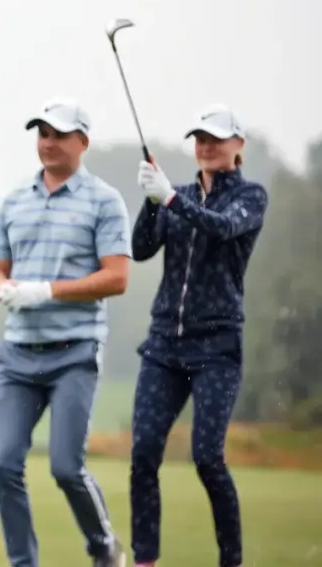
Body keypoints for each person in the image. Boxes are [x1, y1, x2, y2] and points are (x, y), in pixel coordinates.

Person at [0, 97, 130, 567]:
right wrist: (4, 289)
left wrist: (47, 290)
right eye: (42, 133)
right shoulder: (14, 201)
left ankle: (103, 547)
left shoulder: (104, 201)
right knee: (4, 463)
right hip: (18, 354)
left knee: (67, 467)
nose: (47, 143)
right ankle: (22, 563)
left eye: (58, 135)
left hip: (74, 352)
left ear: (82, 142)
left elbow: (116, 277)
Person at [128, 103, 267, 567]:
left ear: (237, 146)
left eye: (216, 138)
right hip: (164, 343)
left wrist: (169, 199)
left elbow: (223, 228)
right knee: (144, 451)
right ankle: (145, 559)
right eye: (199, 138)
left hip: (217, 347)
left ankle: (231, 560)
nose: (205, 146)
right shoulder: (179, 193)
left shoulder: (250, 197)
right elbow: (142, 249)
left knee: (207, 457)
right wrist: (151, 204)